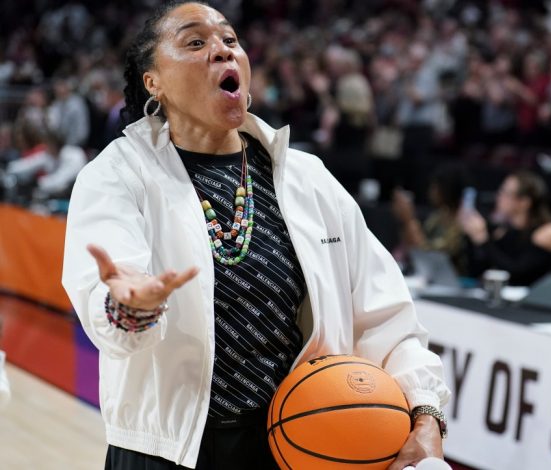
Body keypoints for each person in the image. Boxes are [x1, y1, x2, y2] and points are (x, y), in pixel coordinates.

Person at [60, 3, 450, 469]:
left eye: (229, 39)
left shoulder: (309, 177)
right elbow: (107, 307)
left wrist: (426, 412)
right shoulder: (116, 176)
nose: (222, 51)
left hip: (298, 444)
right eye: (195, 42)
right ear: (153, 82)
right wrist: (131, 308)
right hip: (167, 453)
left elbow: (386, 318)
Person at [459, 170, 551, 286]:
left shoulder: (547, 231)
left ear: (524, 202)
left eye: (506, 193)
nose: (499, 197)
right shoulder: (503, 229)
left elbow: (517, 273)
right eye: (500, 191)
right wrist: (471, 237)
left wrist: (484, 241)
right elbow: (477, 270)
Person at [392, 164, 468, 274]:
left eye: (435, 187)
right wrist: (403, 221)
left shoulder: (461, 222)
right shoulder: (438, 217)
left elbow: (428, 252)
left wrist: (409, 219)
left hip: (454, 280)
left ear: (447, 189)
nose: (431, 191)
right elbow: (412, 248)